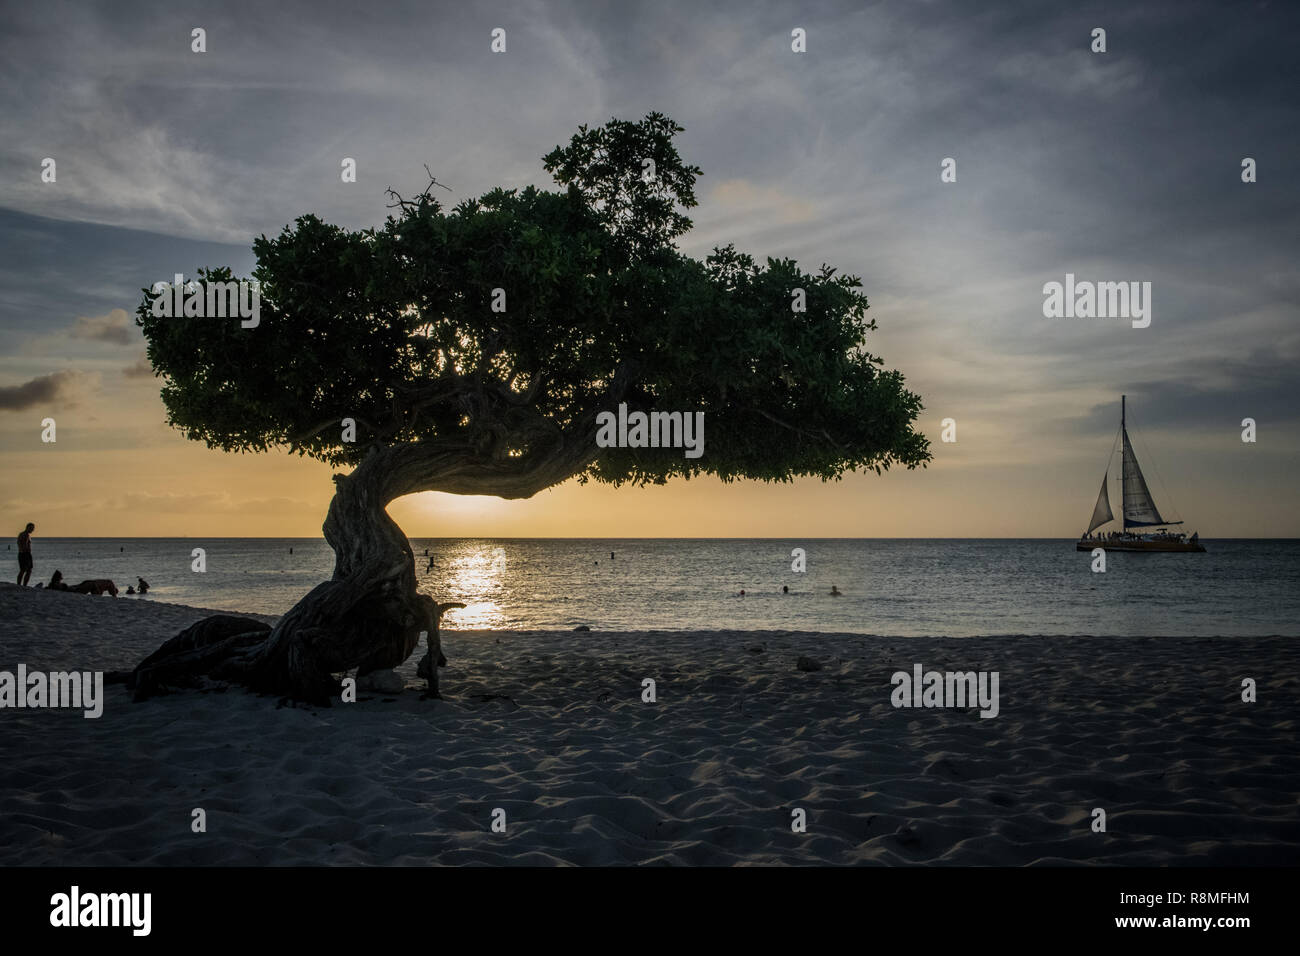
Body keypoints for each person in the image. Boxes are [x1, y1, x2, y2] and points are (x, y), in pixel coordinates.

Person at [16, 522, 34, 586]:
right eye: (31, 528)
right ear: (27, 527)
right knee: (23, 570)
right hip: (24, 554)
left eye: (33, 528)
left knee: (28, 570)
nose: (32, 530)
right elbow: (19, 543)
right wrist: (23, 550)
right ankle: (20, 585)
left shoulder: (27, 535)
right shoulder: (24, 534)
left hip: (26, 554)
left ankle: (23, 585)